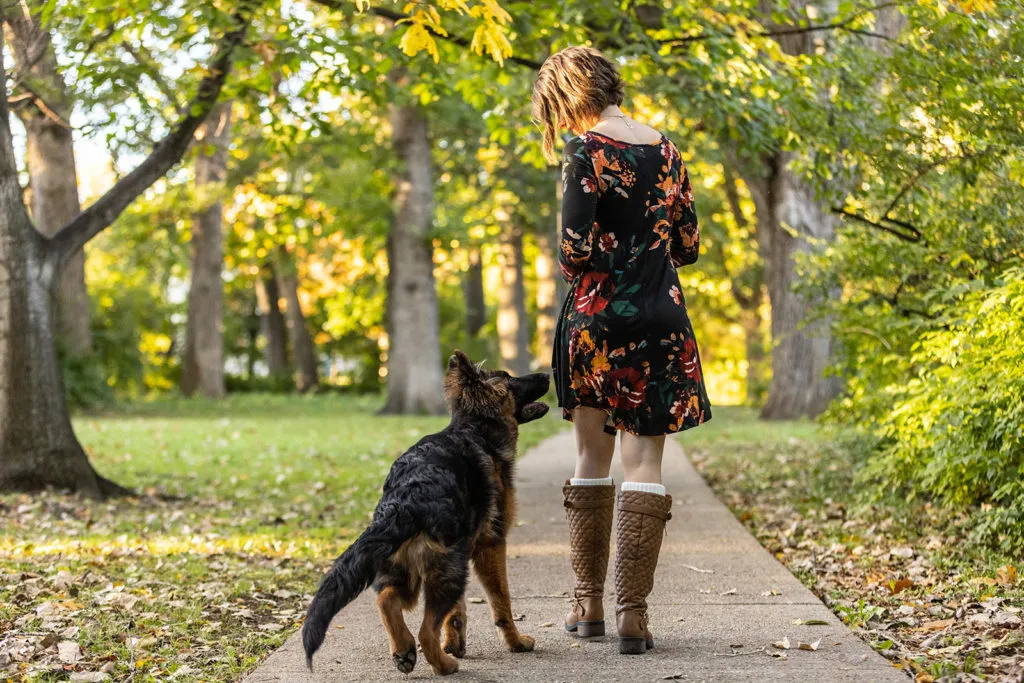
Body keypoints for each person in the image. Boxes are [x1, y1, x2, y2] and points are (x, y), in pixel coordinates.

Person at [532, 46, 712, 655]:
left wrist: (593, 260)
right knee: (645, 466)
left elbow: (573, 248)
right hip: (662, 319)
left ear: (566, 96)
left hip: (598, 320)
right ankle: (635, 619)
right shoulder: (666, 148)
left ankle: (588, 608)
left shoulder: (585, 149)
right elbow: (687, 243)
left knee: (591, 458)